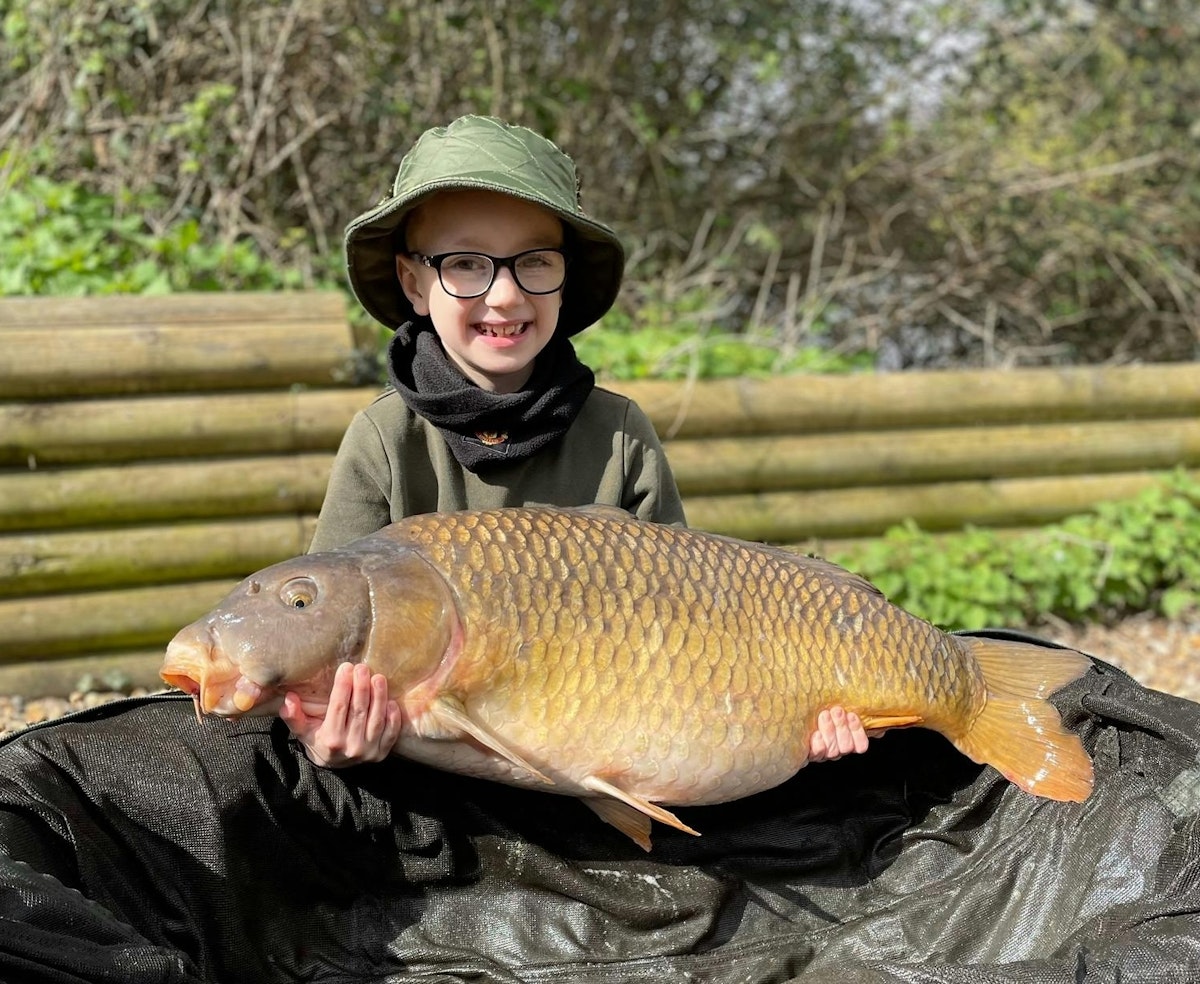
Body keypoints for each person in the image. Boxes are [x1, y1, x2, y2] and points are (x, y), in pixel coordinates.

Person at [276, 114, 873, 772]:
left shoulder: (620, 435)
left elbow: (701, 635)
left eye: (533, 263)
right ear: (414, 283)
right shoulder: (383, 441)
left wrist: (792, 717)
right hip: (433, 769)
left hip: (611, 748)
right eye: (465, 265)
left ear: (564, 278)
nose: (503, 296)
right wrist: (327, 739)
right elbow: (324, 636)